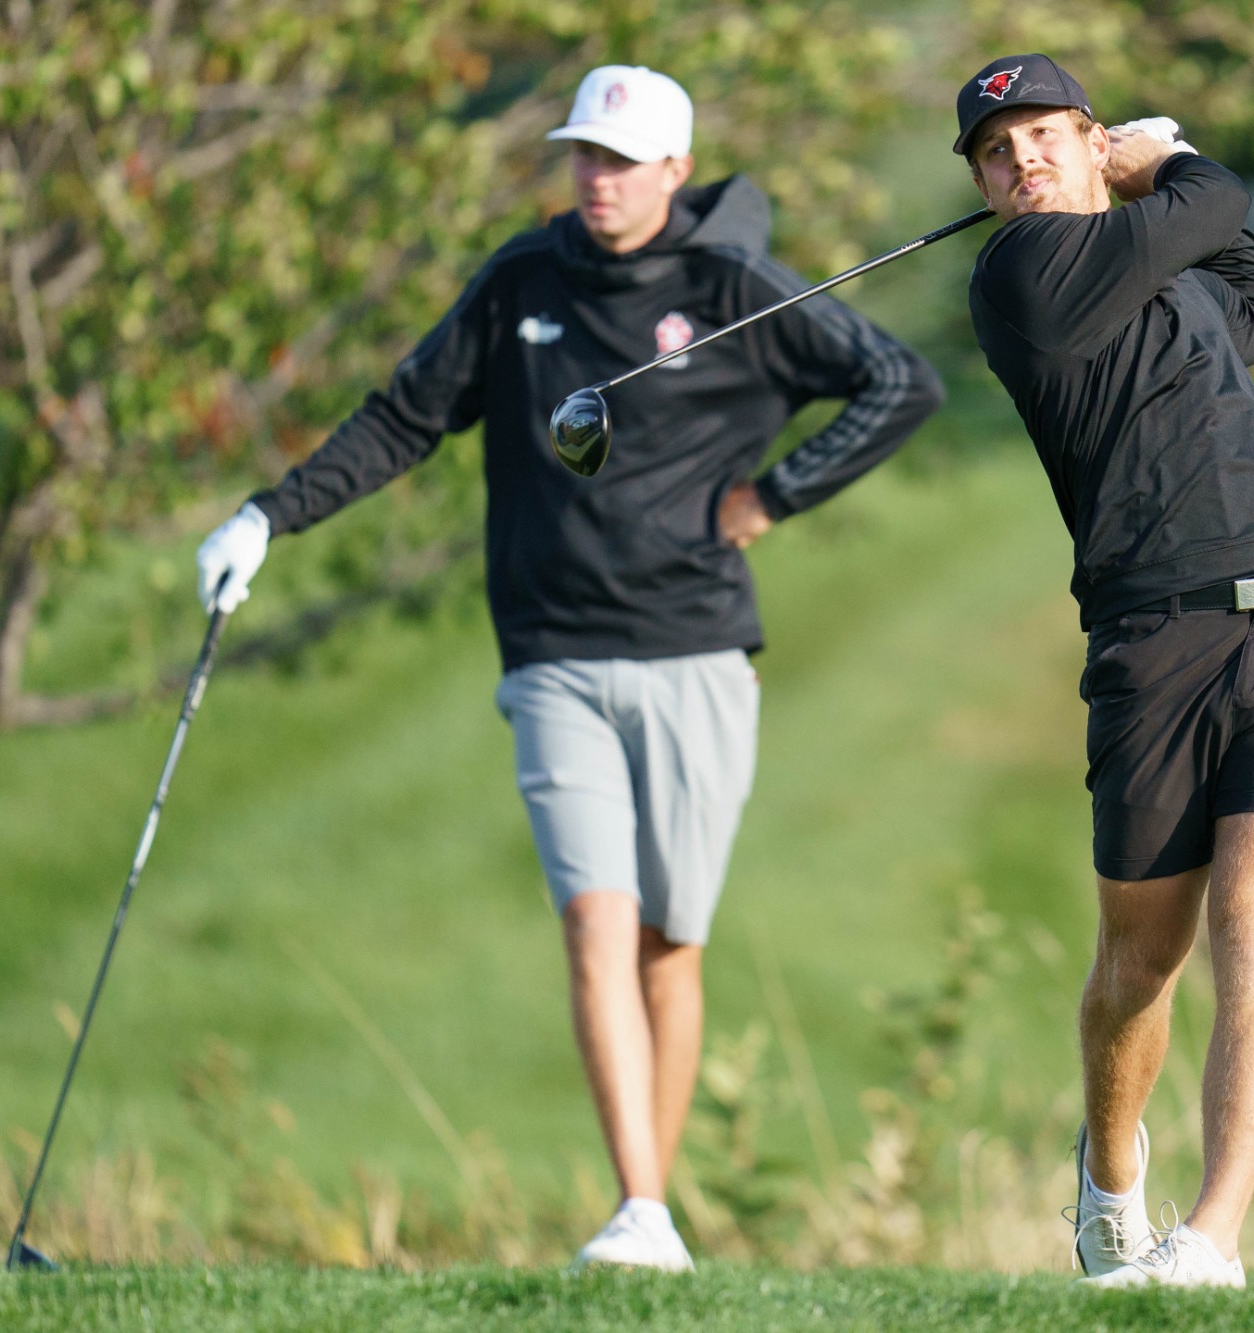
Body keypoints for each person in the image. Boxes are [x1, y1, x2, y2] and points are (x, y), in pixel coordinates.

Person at [195, 64, 943, 1270]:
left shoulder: (734, 285)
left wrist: (774, 494)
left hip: (698, 649)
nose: (594, 177)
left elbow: (899, 381)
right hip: (552, 653)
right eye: (582, 154)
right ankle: (639, 1207)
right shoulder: (519, 281)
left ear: (673, 172)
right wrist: (268, 517)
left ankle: (652, 1217)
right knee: (595, 920)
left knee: (668, 940)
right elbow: (403, 417)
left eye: (619, 158)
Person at [952, 55, 1254, 1288]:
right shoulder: (1020, 276)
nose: (1022, 159)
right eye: (998, 151)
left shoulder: (1149, 272)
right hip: (1154, 640)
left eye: (1045, 135)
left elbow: (1247, 313)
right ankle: (1108, 1177)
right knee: (1140, 961)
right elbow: (1215, 203)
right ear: (985, 189)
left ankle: (1211, 1241)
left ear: (1087, 145)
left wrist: (1171, 190)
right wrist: (1167, 159)